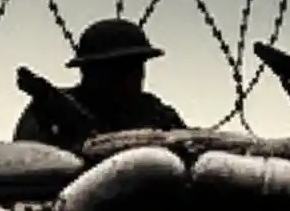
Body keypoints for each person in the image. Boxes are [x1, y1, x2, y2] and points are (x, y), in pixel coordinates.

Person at [13, 18, 186, 149]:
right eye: (118, 70)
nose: (131, 79)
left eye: (136, 67)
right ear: (88, 72)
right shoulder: (48, 112)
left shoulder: (155, 112)